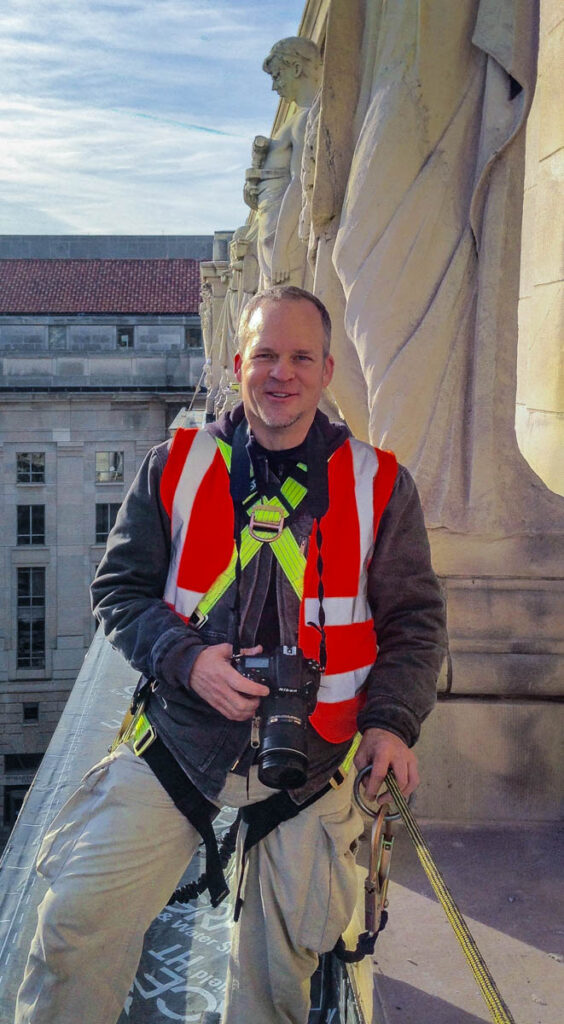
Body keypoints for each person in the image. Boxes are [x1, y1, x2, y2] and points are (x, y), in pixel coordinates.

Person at [16, 286, 446, 1024]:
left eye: (301, 357)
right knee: (73, 926)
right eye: (267, 355)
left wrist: (391, 724)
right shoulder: (175, 466)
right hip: (181, 741)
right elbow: (119, 591)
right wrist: (188, 661)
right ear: (240, 362)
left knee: (278, 984)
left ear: (326, 369)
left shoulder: (379, 485)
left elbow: (414, 623)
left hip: (315, 759)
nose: (283, 373)